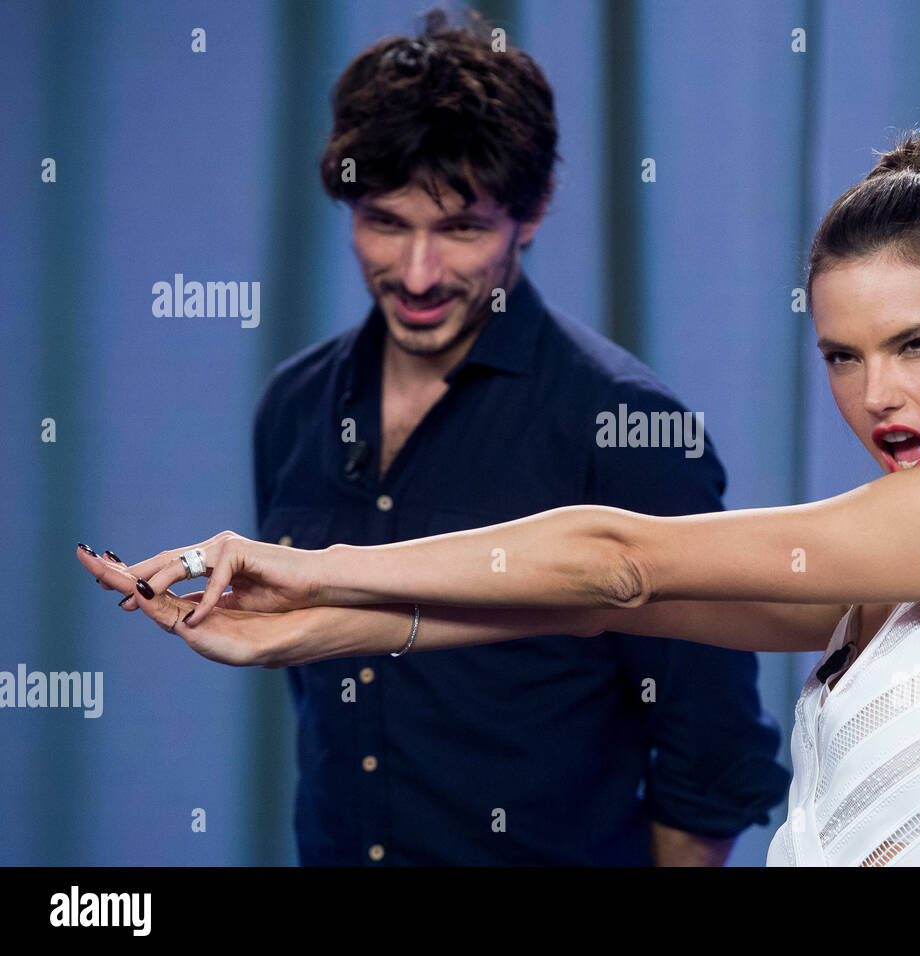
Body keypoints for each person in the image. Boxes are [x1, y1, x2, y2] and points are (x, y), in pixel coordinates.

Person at [81, 115, 920, 867]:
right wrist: (320, 625)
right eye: (842, 356)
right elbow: (589, 603)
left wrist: (309, 563)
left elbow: (622, 560)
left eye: (916, 343)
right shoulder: (899, 562)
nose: (877, 392)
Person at [94, 8, 792, 866]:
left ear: (530, 214)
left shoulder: (629, 427)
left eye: (460, 229)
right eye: (386, 222)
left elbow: (712, 755)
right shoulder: (293, 405)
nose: (418, 274)